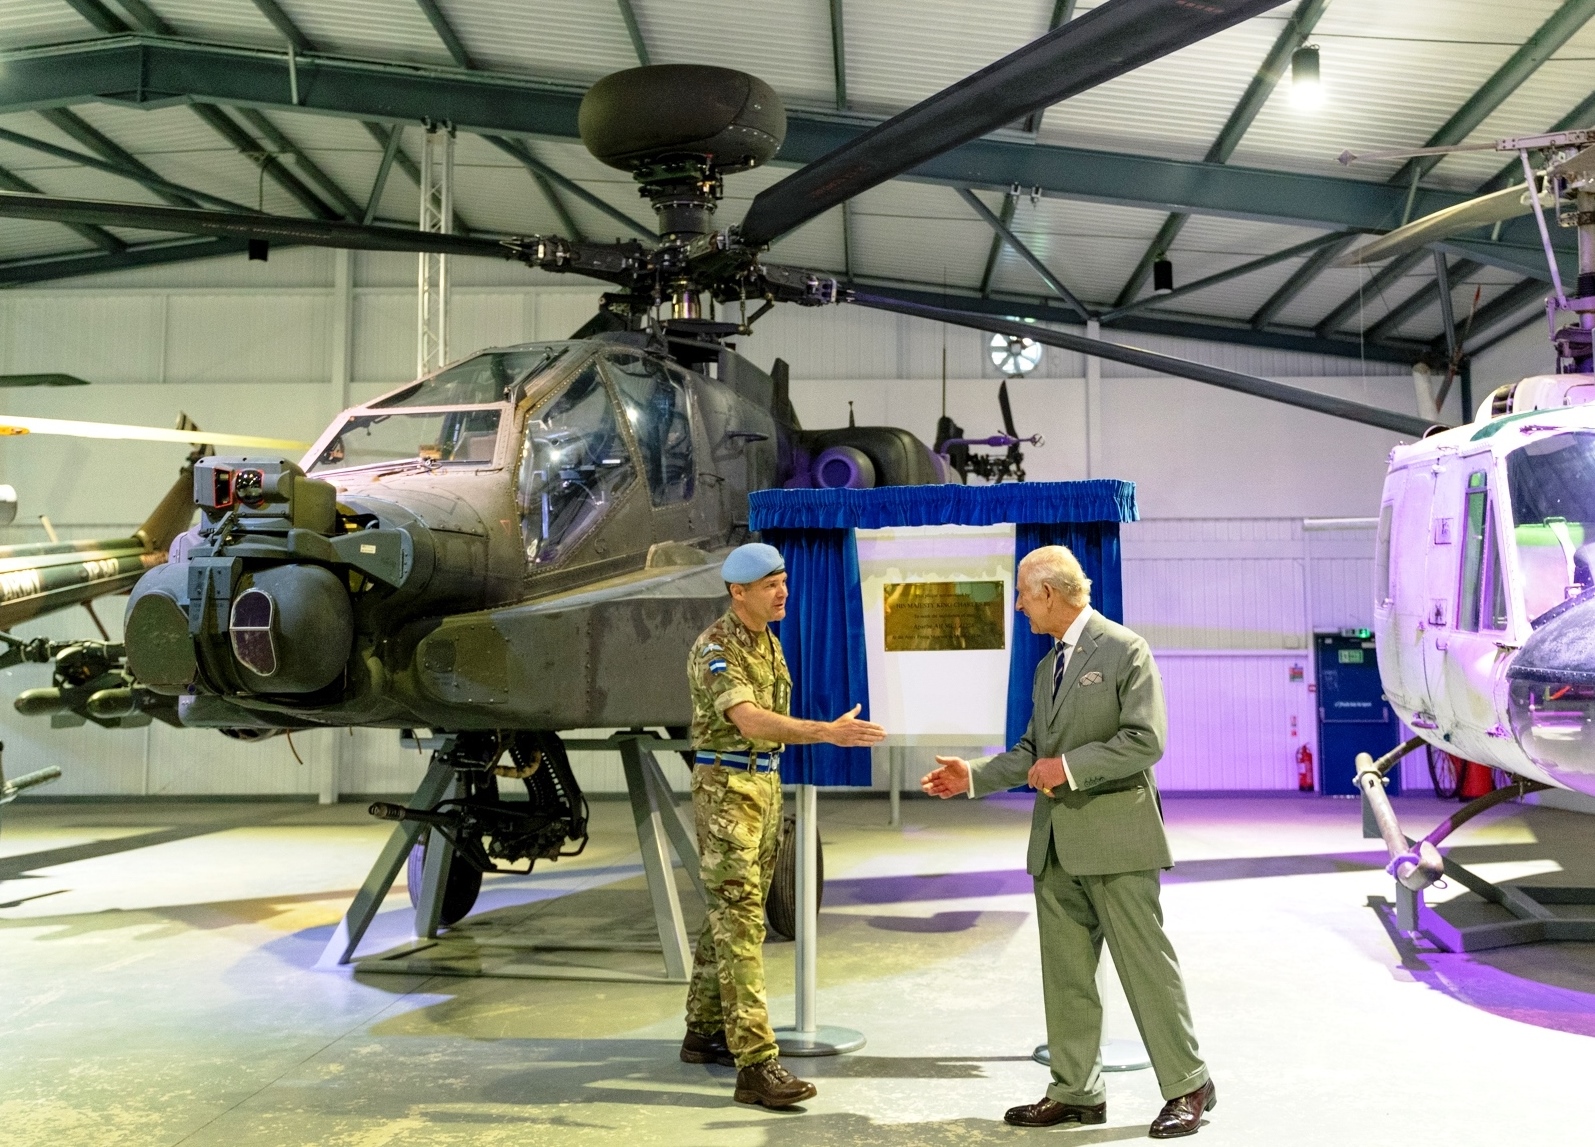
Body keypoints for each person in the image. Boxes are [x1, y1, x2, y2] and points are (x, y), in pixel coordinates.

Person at [920, 544, 1215, 1139]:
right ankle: (1077, 1091)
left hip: (1118, 840)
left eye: (1025, 596)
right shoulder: (1046, 665)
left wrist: (1070, 768)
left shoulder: (1126, 649)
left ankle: (1189, 1086)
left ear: (1049, 594)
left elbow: (1145, 740)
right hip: (1056, 845)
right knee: (1067, 976)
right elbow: (1033, 752)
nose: (1021, 608)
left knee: (1145, 970)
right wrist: (973, 776)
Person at [680, 541, 887, 1109]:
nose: (783, 593)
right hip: (728, 790)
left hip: (763, 786)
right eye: (770, 585)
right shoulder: (717, 647)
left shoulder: (768, 642)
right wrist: (825, 732)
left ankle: (703, 1032)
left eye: (784, 582)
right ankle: (756, 1064)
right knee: (742, 919)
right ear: (737, 591)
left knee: (729, 908)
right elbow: (747, 720)